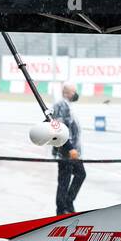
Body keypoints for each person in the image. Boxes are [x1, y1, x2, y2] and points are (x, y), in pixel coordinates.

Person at [52, 83, 85, 215]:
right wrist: (70, 148)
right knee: (64, 180)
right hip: (65, 152)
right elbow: (59, 129)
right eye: (74, 91)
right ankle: (62, 209)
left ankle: (67, 203)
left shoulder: (68, 106)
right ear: (66, 93)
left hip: (72, 152)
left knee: (80, 174)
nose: (75, 94)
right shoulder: (61, 106)